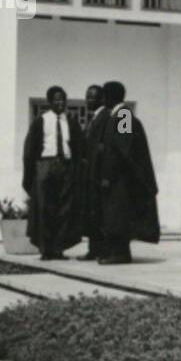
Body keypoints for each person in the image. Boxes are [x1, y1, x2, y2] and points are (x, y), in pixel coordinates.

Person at [93, 81, 161, 264]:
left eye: (104, 96)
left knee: (119, 216)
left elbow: (124, 149)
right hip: (116, 178)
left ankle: (121, 253)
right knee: (113, 216)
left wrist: (110, 175)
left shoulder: (123, 115)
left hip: (121, 179)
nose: (102, 100)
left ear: (110, 97)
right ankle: (115, 251)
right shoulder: (116, 116)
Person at [21, 86, 85, 260]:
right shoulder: (40, 121)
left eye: (63, 99)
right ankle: (46, 249)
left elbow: (79, 148)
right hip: (46, 165)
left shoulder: (71, 121)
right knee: (45, 208)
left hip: (66, 166)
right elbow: (29, 150)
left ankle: (59, 249)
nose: (60, 103)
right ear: (49, 102)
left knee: (64, 208)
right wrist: (29, 178)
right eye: (56, 100)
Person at [80, 83, 107, 260]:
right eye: (87, 96)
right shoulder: (93, 118)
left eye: (93, 97)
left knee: (100, 214)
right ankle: (93, 249)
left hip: (101, 174)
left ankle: (105, 250)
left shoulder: (121, 114)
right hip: (90, 173)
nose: (89, 100)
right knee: (92, 213)